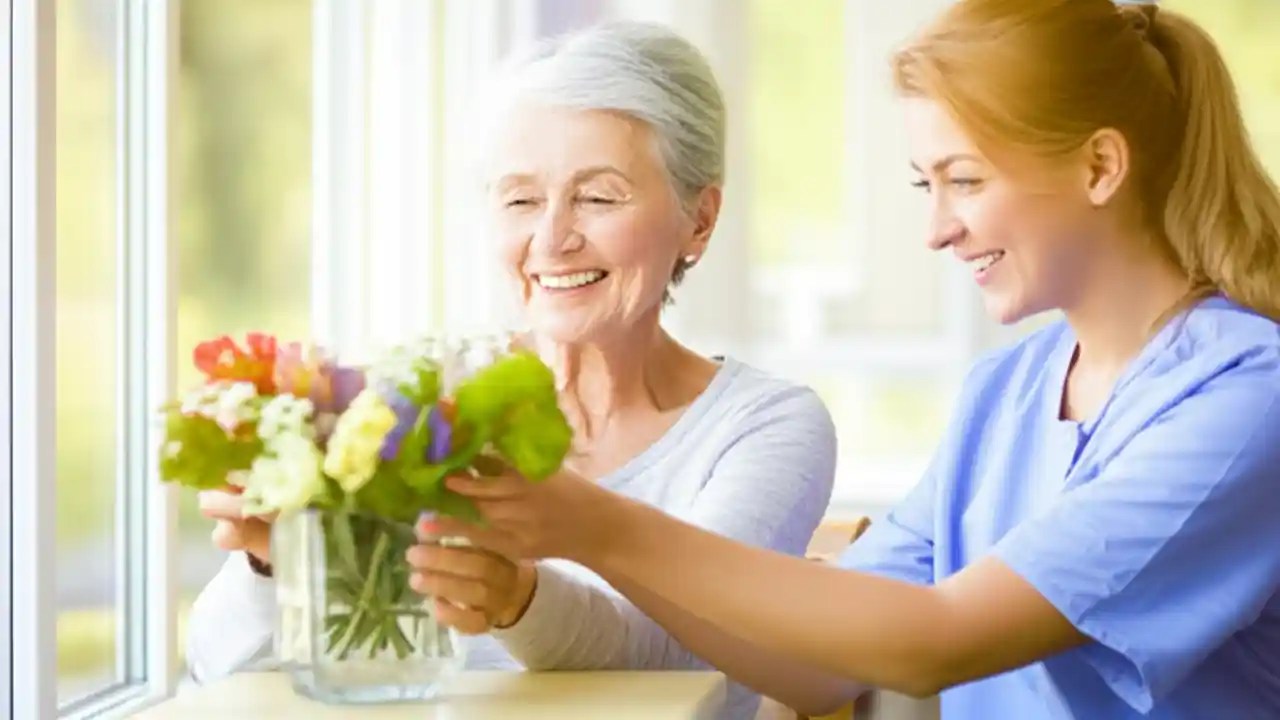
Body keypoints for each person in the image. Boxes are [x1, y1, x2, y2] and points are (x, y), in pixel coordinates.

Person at [408, 2, 1280, 718]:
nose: (937, 227)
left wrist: (594, 524)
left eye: (965, 180)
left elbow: (934, 641)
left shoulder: (1246, 398)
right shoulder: (1006, 392)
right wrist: (586, 546)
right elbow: (823, 669)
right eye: (923, 185)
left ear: (1099, 166)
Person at [185, 21, 837, 720]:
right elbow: (220, 667)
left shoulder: (765, 427)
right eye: (522, 200)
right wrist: (277, 566)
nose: (552, 240)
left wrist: (517, 598)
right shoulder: (418, 396)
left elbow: (691, 656)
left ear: (699, 220)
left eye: (599, 196)